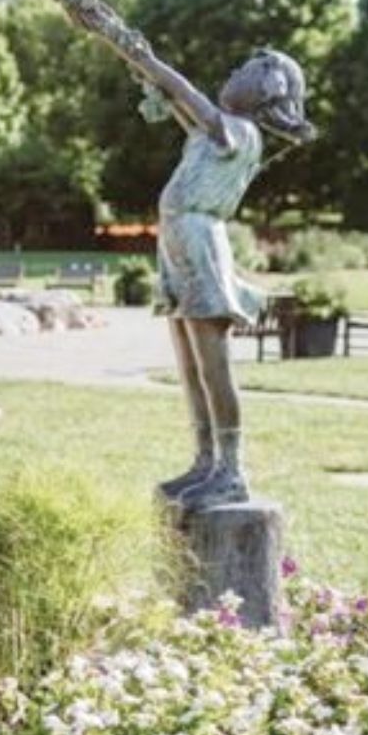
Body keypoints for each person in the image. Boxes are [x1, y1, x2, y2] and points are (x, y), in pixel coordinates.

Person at [141, 47, 315, 511]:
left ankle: (231, 470)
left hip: (199, 243)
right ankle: (205, 460)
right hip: (178, 241)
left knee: (213, 363)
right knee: (189, 363)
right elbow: (180, 104)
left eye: (246, 70)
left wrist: (151, 61)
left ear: (267, 88)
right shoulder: (213, 130)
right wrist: (146, 73)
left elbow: (184, 93)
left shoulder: (239, 130)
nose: (232, 72)